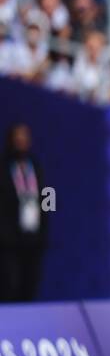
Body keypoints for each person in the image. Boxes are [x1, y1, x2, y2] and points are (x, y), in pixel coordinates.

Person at [0, 123, 49, 302]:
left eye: (24, 137)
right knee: (10, 285)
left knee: (30, 285)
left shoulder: (35, 166)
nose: (21, 141)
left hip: (33, 238)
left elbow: (47, 192)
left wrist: (46, 222)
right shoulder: (3, 168)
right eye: (17, 137)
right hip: (9, 241)